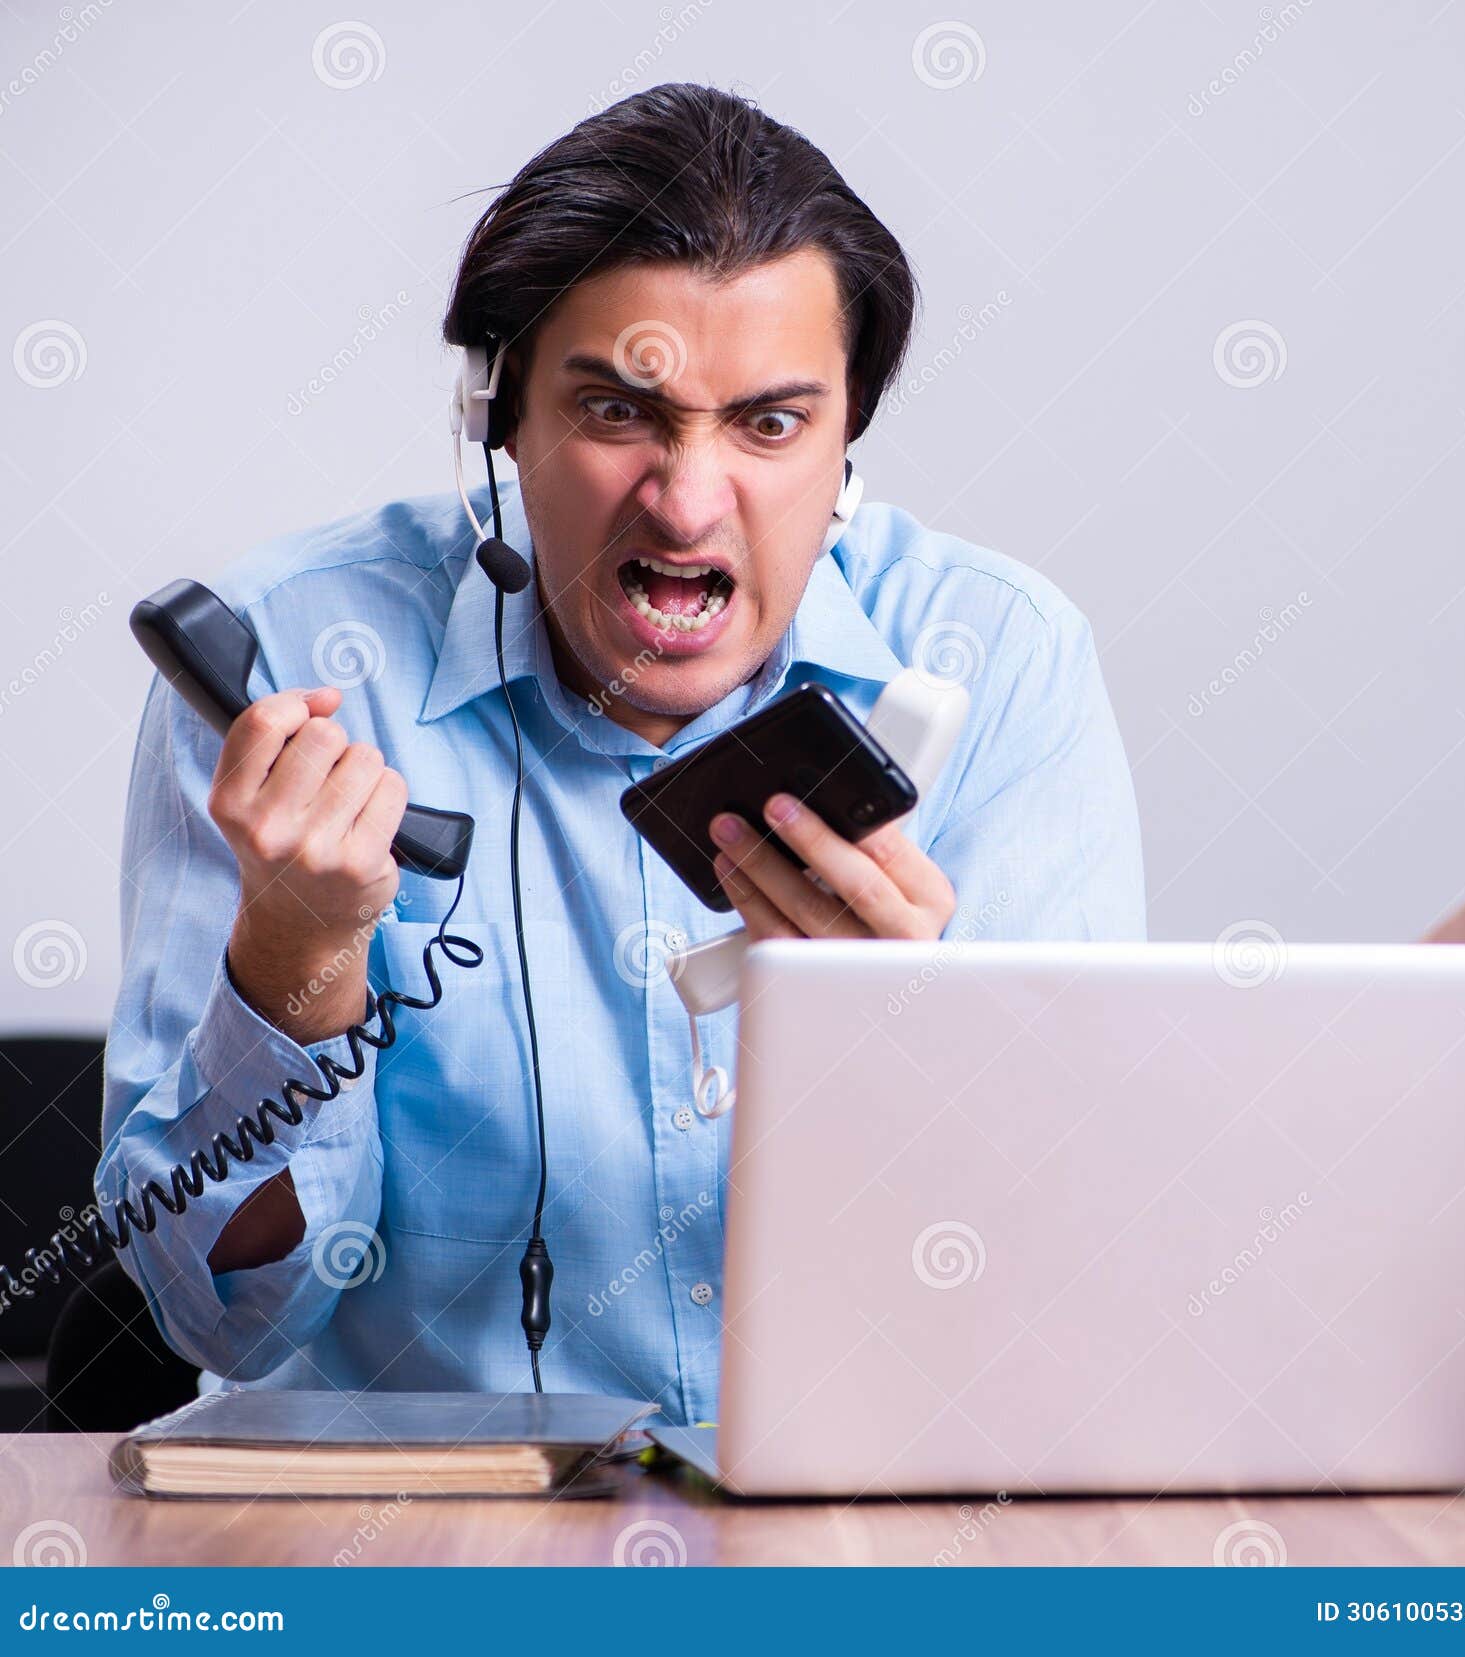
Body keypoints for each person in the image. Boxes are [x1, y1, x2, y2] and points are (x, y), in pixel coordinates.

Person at [99, 83, 1144, 1425]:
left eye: (770, 424)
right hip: (427, 1556)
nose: (689, 497)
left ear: (845, 445)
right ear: (499, 420)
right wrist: (297, 974)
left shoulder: (997, 660)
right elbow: (217, 1312)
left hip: (858, 1537)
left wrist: (916, 1063)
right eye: (616, 411)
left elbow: (1087, 1280)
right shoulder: (297, 663)